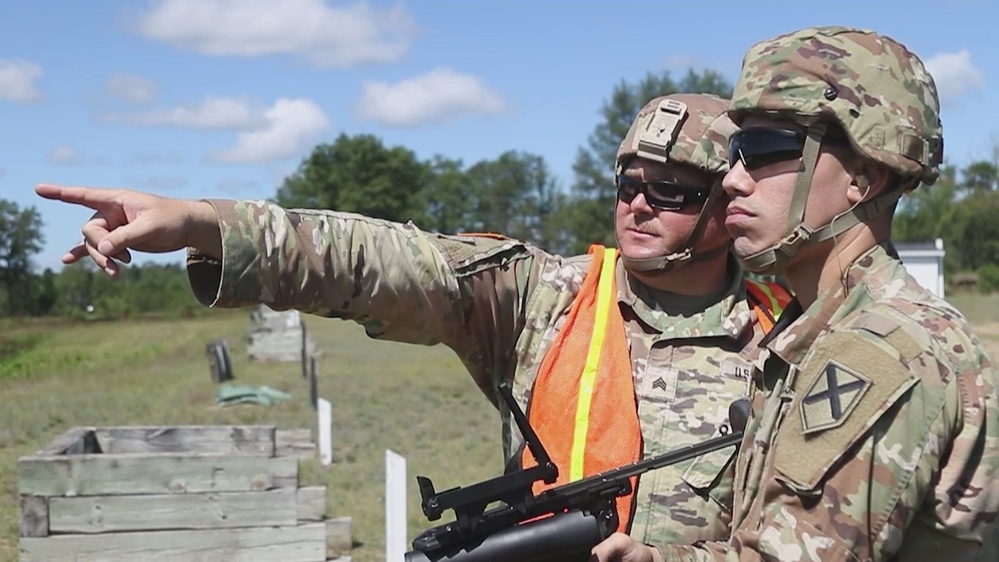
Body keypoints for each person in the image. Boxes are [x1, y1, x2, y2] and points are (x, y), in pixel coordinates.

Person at [37, 93, 790, 549]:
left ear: (728, 202)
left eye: (672, 190)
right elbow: (381, 260)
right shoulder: (544, 298)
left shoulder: (791, 336)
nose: (637, 204)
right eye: (628, 181)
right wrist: (205, 224)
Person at [592, 26, 999, 562]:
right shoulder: (816, 327)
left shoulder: (882, 348)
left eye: (762, 152)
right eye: (735, 152)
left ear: (865, 178)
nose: (733, 180)